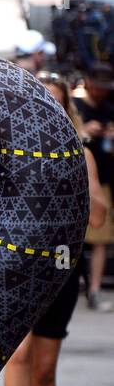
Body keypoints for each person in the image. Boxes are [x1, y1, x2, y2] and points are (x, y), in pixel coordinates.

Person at [2, 74, 109, 386]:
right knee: (18, 354)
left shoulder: (80, 155)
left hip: (61, 266)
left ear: (67, 111)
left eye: (55, 104)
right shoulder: (9, 151)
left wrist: (73, 177)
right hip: (16, 265)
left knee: (45, 366)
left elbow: (97, 216)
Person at [74, 75, 114, 310]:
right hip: (77, 179)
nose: (102, 91)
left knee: (100, 238)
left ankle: (94, 288)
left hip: (102, 178)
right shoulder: (77, 105)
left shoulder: (108, 107)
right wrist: (85, 131)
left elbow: (98, 219)